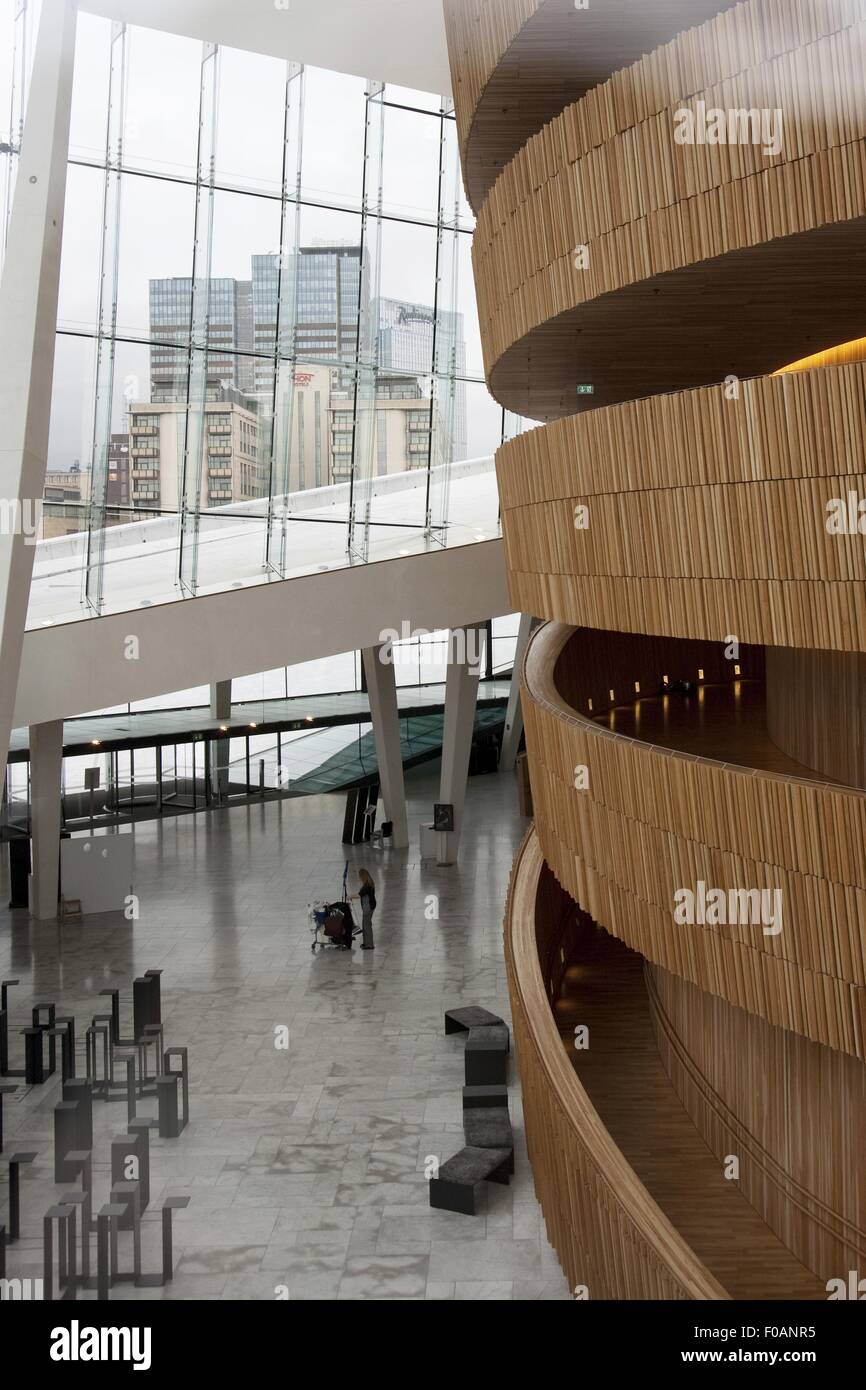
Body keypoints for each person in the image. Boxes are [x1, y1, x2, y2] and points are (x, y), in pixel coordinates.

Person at [354, 869, 377, 950]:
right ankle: (366, 943)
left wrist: (350, 896)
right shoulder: (370, 882)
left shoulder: (367, 885)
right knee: (365, 924)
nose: (359, 878)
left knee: (367, 926)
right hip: (371, 906)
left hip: (368, 907)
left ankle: (370, 945)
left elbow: (359, 895)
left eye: (360, 876)